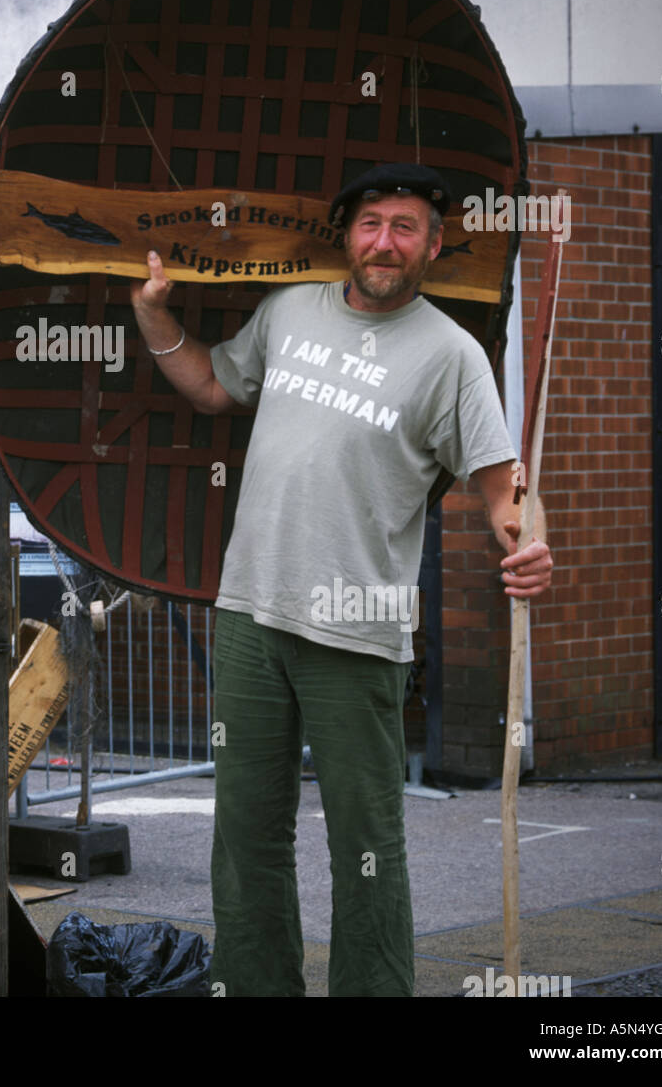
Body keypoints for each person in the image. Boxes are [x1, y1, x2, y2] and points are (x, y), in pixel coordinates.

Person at [129, 162, 554, 997]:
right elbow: (216, 387)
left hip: (357, 628)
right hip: (251, 612)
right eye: (370, 225)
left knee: (366, 843)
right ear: (347, 236)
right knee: (246, 835)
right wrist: (153, 317)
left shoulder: (453, 356)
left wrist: (529, 543)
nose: (385, 242)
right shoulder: (290, 310)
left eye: (405, 228)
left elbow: (506, 491)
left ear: (433, 245)